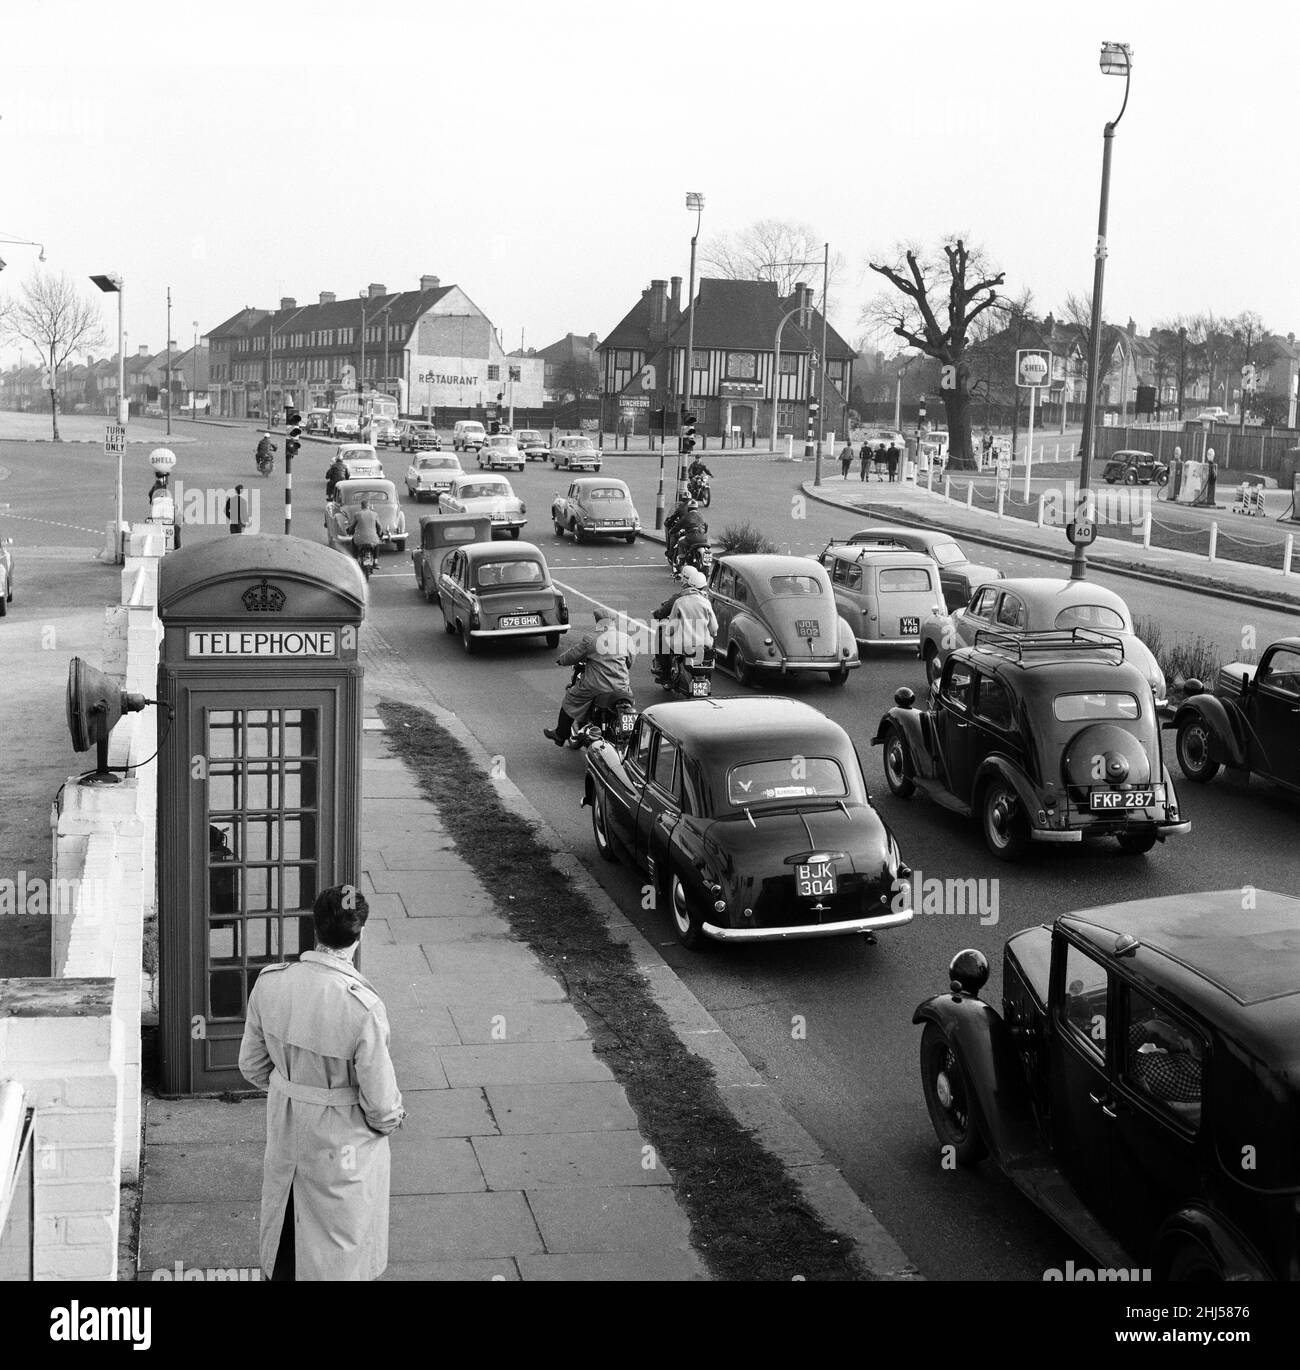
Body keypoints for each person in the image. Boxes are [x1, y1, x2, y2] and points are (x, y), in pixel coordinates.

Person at [238, 884, 406, 1281]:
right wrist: (390, 1121)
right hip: (344, 1140)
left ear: (315, 929)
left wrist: (292, 1088)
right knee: (339, 1246)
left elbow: (251, 1065)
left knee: (286, 1222)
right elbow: (382, 1105)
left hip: (289, 1123)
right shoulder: (363, 1007)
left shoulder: (271, 982)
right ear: (359, 934)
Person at [544, 609, 634, 745]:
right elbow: (629, 662)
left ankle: (560, 734)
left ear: (597, 621)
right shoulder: (626, 638)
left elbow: (573, 655)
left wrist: (561, 660)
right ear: (613, 622)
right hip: (622, 687)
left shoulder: (592, 639)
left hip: (596, 687)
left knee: (570, 699)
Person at [666, 564, 717, 665]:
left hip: (683, 646)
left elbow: (671, 628)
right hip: (704, 645)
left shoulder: (679, 602)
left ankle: (670, 668)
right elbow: (714, 629)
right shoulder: (706, 603)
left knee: (665, 640)